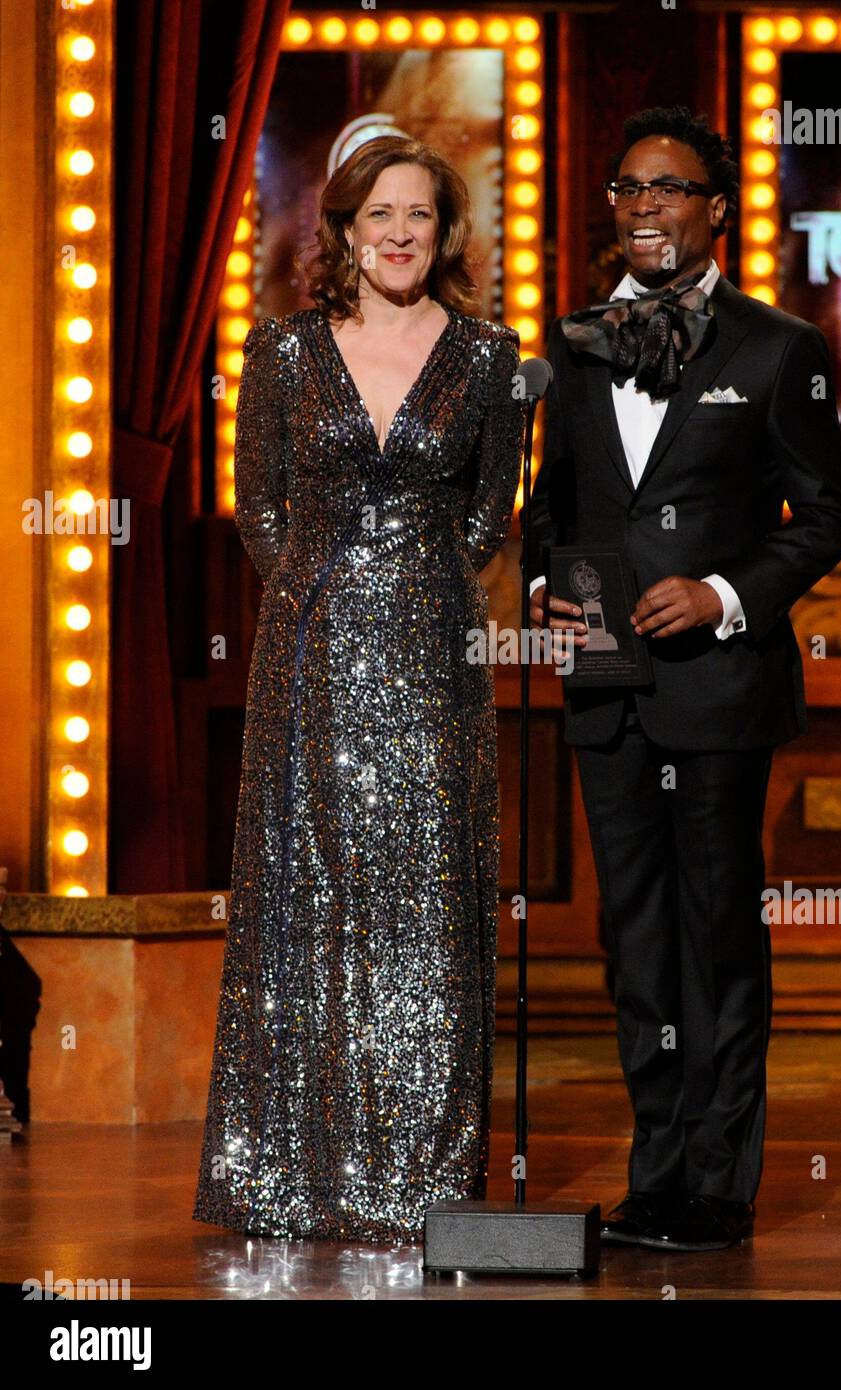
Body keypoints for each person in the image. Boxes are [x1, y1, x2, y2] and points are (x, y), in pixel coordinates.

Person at [525, 107, 841, 1251]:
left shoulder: (777, 349)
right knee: (633, 941)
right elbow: (548, 511)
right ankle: (654, 1171)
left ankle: (718, 1183)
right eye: (627, 188)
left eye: (668, 189)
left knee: (717, 936)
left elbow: (825, 519)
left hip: (717, 692)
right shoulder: (570, 349)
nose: (644, 207)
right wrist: (541, 590)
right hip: (605, 690)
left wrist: (720, 596)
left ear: (714, 209)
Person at [193, 136, 524, 1243]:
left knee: (422, 904)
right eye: (377, 213)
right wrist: (321, 602)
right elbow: (258, 507)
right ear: (340, 227)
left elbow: (488, 516)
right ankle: (289, 1176)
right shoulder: (283, 353)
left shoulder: (488, 358)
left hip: (432, 658)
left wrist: (408, 591)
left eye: (418, 216)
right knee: (310, 899)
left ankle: (419, 1183)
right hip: (310, 657)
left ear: (444, 231)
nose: (397, 233)